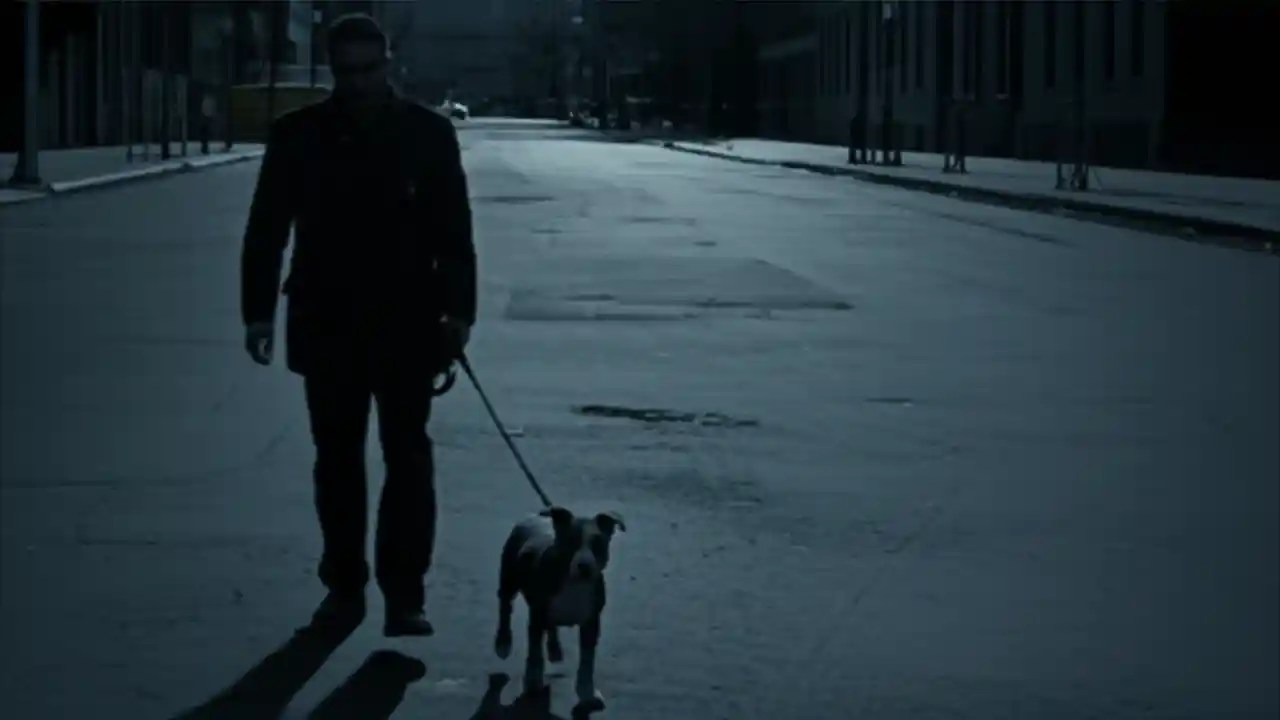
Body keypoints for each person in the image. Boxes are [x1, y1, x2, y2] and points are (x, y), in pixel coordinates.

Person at [239, 13, 476, 637]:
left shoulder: (428, 133)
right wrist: (257, 312)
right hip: (327, 319)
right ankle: (344, 585)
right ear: (332, 70)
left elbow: (454, 233)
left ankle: (405, 595)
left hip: (409, 319)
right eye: (347, 73)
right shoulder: (299, 134)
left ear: (388, 63)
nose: (359, 83)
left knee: (408, 459)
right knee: (337, 461)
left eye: (370, 70)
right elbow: (267, 228)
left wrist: (459, 312)